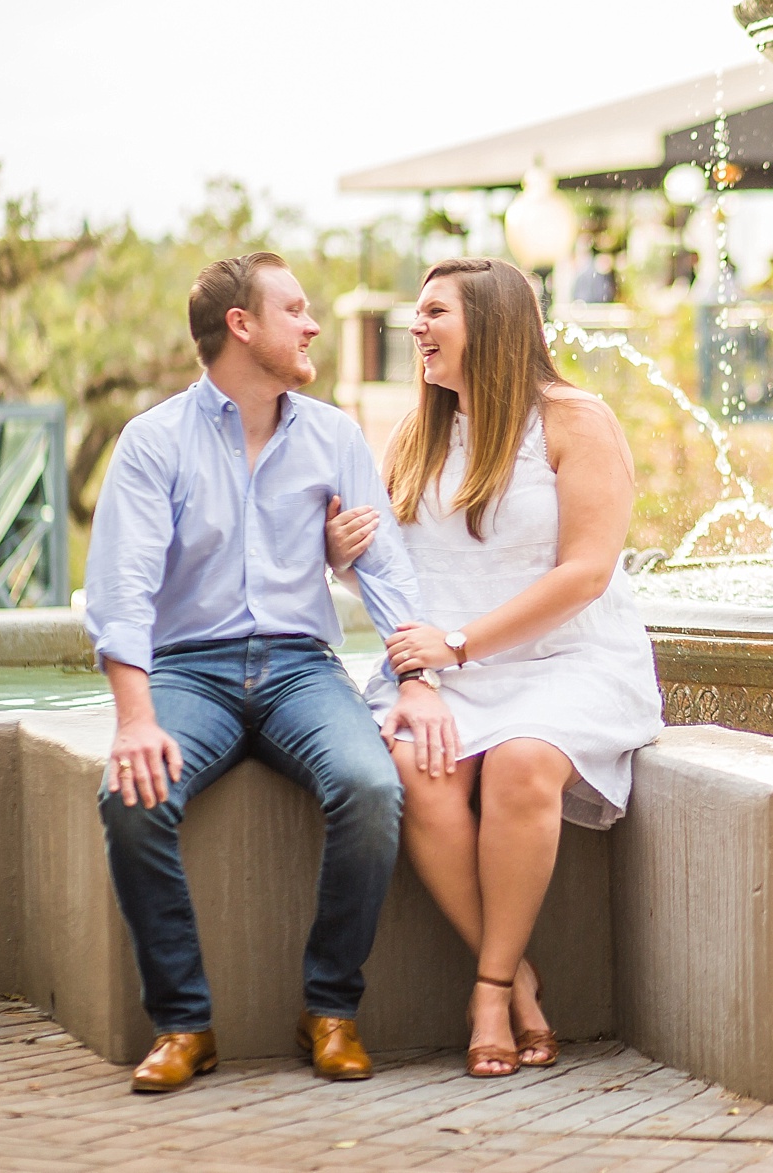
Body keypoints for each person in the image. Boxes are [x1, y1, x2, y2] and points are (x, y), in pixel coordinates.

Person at [85, 251, 455, 1094]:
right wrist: (135, 717)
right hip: (190, 670)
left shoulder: (333, 435)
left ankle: (329, 1007)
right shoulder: (153, 443)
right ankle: (183, 1022)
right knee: (130, 794)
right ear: (241, 326)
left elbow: (385, 568)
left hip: (300, 668)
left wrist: (418, 680)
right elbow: (123, 589)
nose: (314, 322)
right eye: (294, 308)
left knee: (369, 785)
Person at [327, 257, 662, 1078]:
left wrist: (462, 643)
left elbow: (586, 573)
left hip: (569, 658)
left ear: (493, 321)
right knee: (417, 766)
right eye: (418, 312)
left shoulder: (576, 421)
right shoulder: (416, 432)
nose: (416, 328)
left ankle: (486, 989)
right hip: (456, 669)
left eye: (435, 312)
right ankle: (519, 981)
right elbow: (395, 570)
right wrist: (341, 559)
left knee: (520, 765)